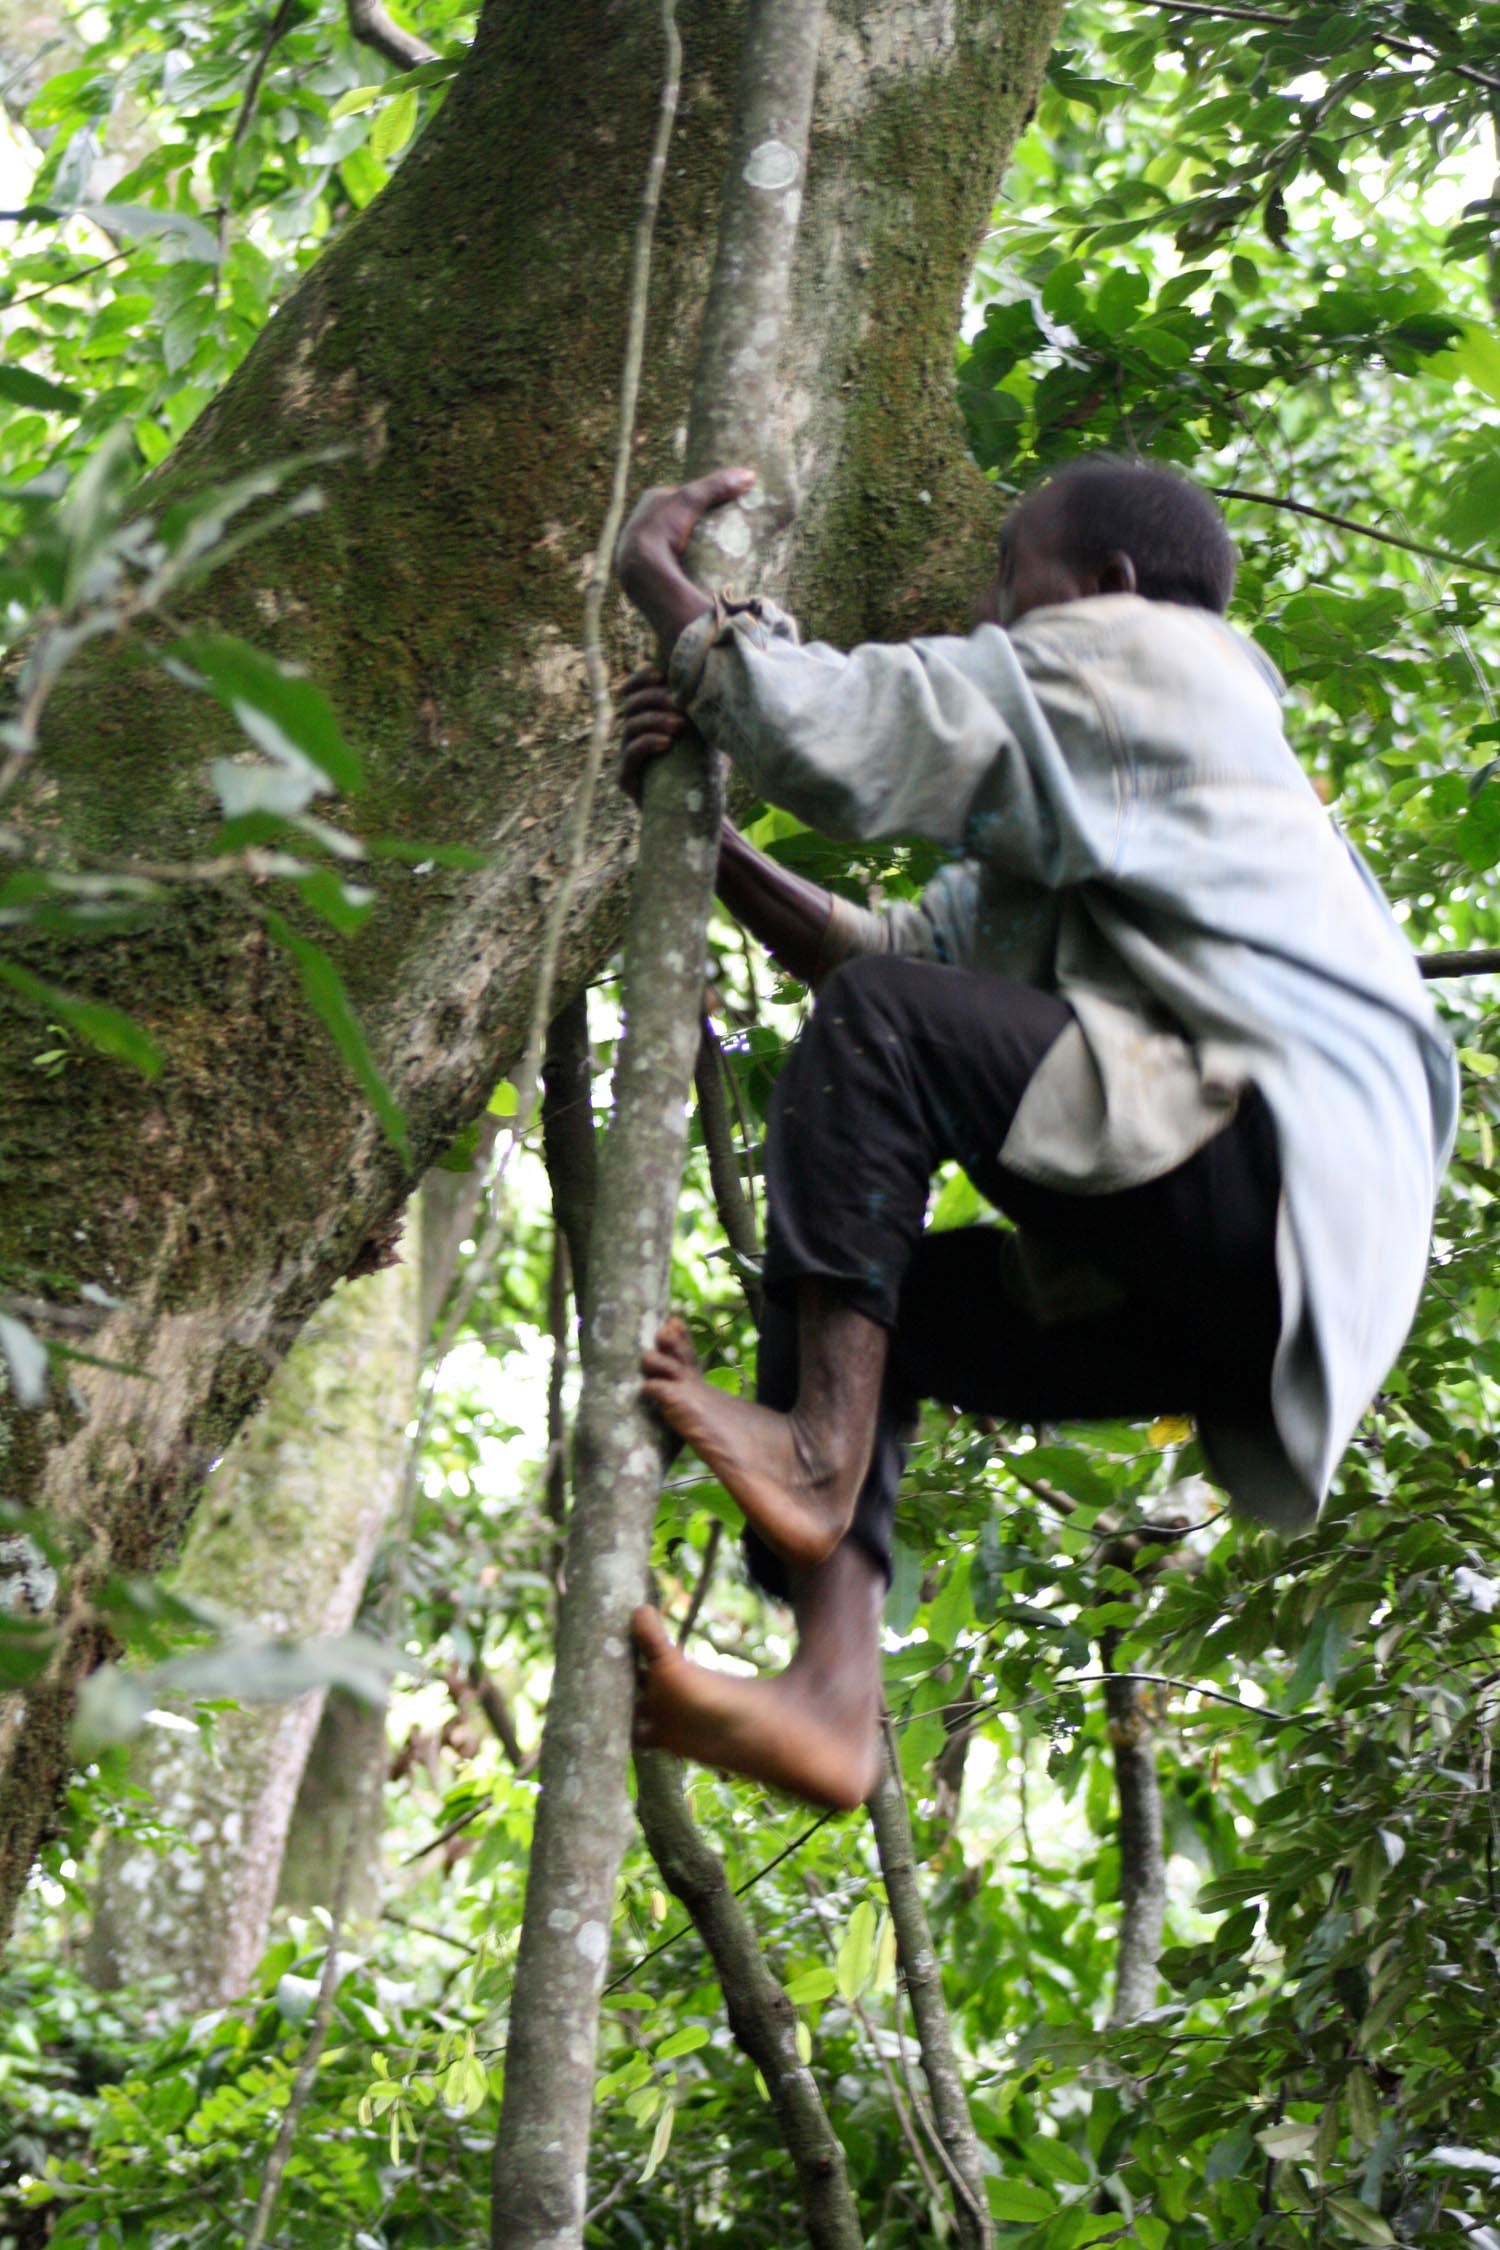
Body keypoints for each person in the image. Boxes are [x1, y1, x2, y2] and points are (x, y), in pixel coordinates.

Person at [610, 455, 1458, 1813]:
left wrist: (672, 595)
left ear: (1112, 591)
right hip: (1266, 1294)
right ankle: (833, 1694)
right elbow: (898, 956)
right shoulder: (1124, 785)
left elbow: (873, 734)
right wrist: (704, 835)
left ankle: (816, 1454)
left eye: (1017, 586)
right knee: (912, 1307)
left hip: (1266, 1173)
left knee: (884, 1037)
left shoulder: (1172, 666)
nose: (1002, 622)